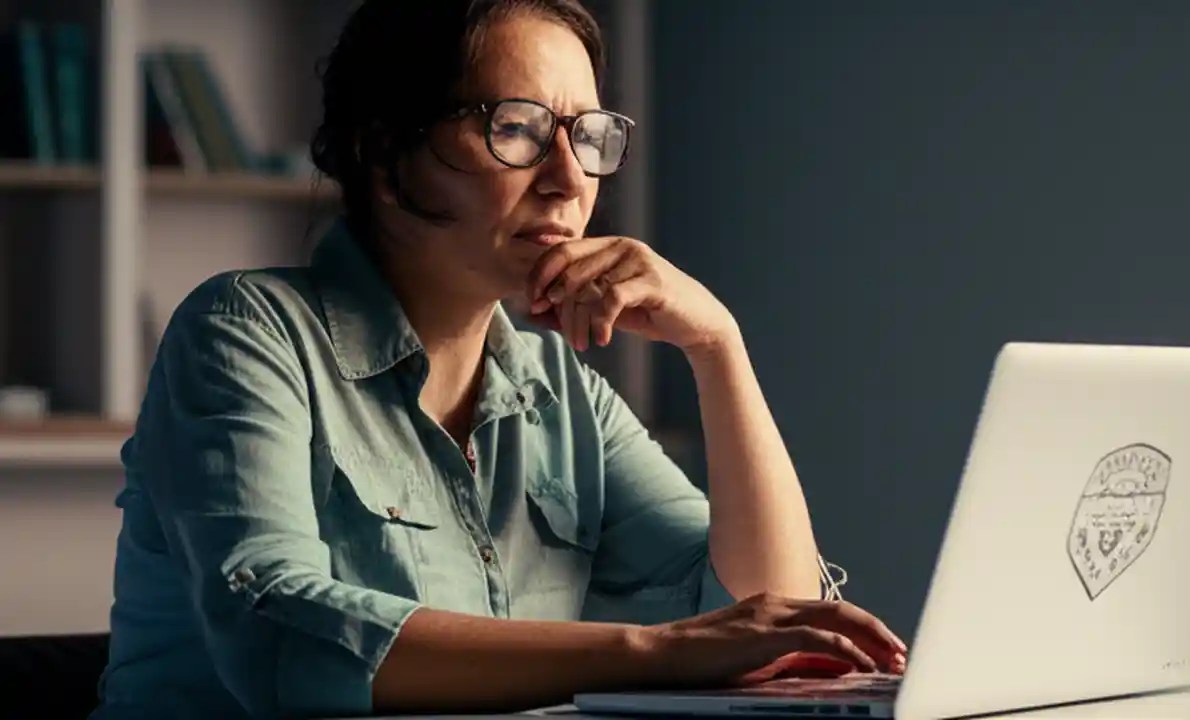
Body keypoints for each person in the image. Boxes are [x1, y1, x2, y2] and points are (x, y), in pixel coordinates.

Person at [91, 1, 906, 717]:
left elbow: (773, 620)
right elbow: (278, 640)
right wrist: (654, 652)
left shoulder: (561, 391)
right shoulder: (246, 327)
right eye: (514, 127)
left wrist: (718, 348)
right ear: (384, 154)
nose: (567, 179)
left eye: (587, 136)